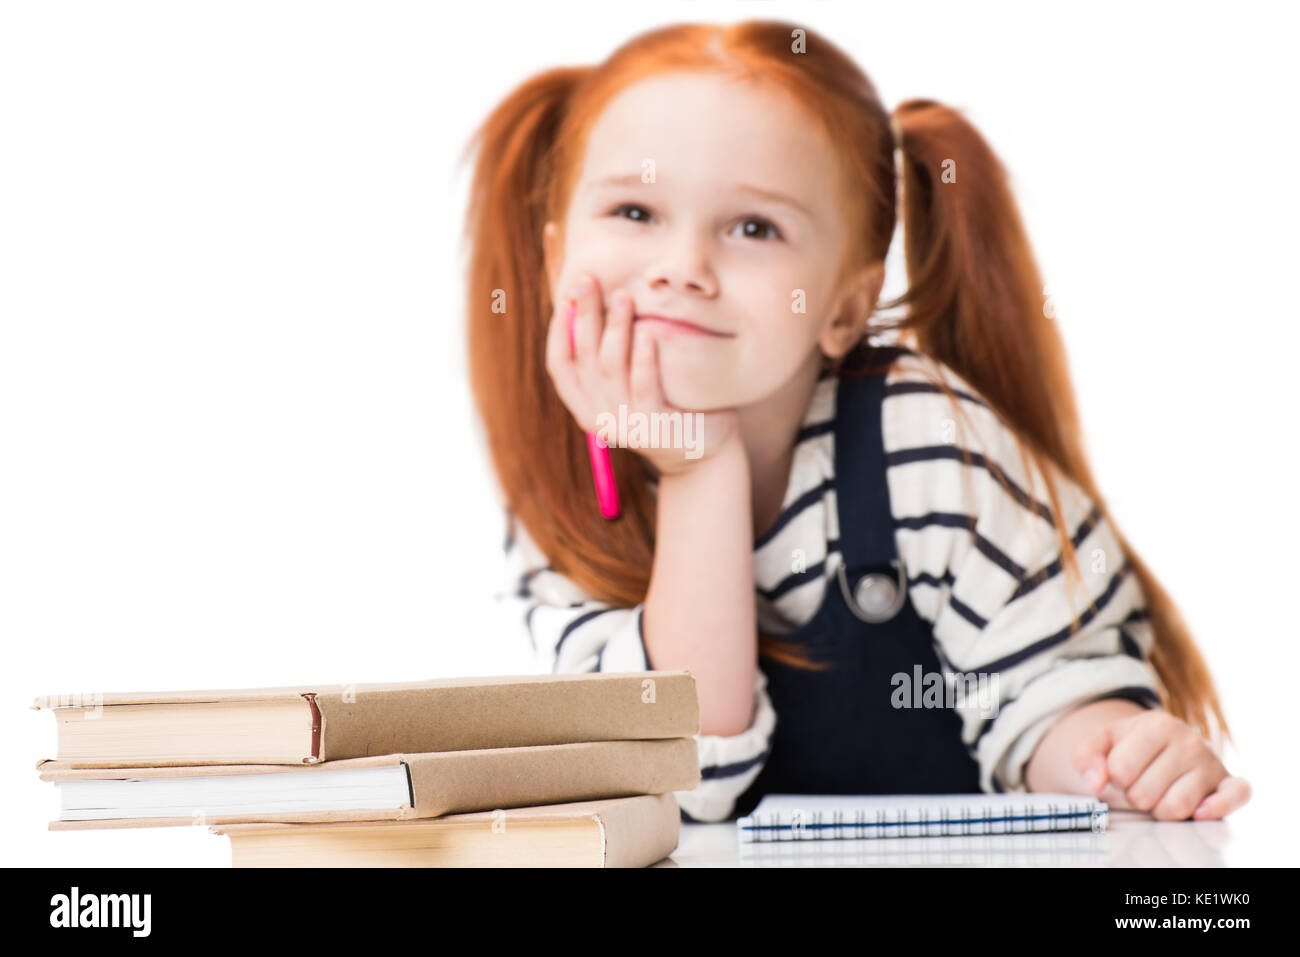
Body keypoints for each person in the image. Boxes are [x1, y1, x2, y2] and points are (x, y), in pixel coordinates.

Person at [462, 20, 1250, 823]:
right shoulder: (561, 485)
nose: (683, 268)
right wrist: (702, 469)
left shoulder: (923, 442)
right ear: (558, 261)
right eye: (635, 211)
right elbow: (682, 775)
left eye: (753, 228)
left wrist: (1115, 755)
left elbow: (1042, 692)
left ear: (843, 307)